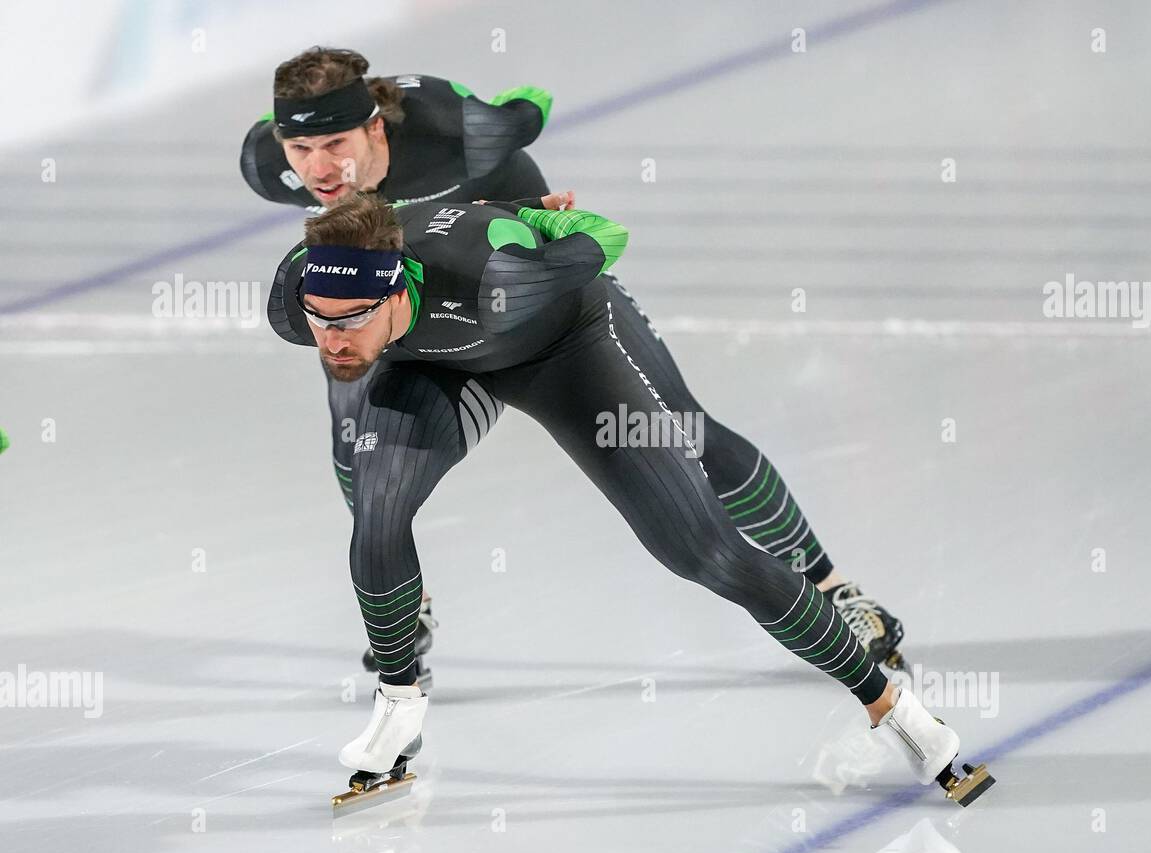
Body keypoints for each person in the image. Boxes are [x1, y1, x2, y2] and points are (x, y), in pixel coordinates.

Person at [265, 192, 992, 812]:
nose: (331, 341)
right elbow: (342, 307)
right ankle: (398, 706)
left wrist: (547, 224)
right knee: (377, 513)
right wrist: (347, 329)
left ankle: (893, 708)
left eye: (351, 320)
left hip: (562, 349)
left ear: (397, 294)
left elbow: (604, 240)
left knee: (706, 553)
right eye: (320, 320)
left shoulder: (498, 275)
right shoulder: (301, 298)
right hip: (437, 366)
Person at [243, 47, 911, 684]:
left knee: (679, 431)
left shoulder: (453, 128)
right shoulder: (266, 164)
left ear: (375, 126)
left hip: (539, 303)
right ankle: (401, 604)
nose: (319, 170)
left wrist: (541, 219)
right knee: (354, 432)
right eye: (301, 150)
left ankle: (831, 589)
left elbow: (529, 104)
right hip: (417, 317)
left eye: (335, 146)